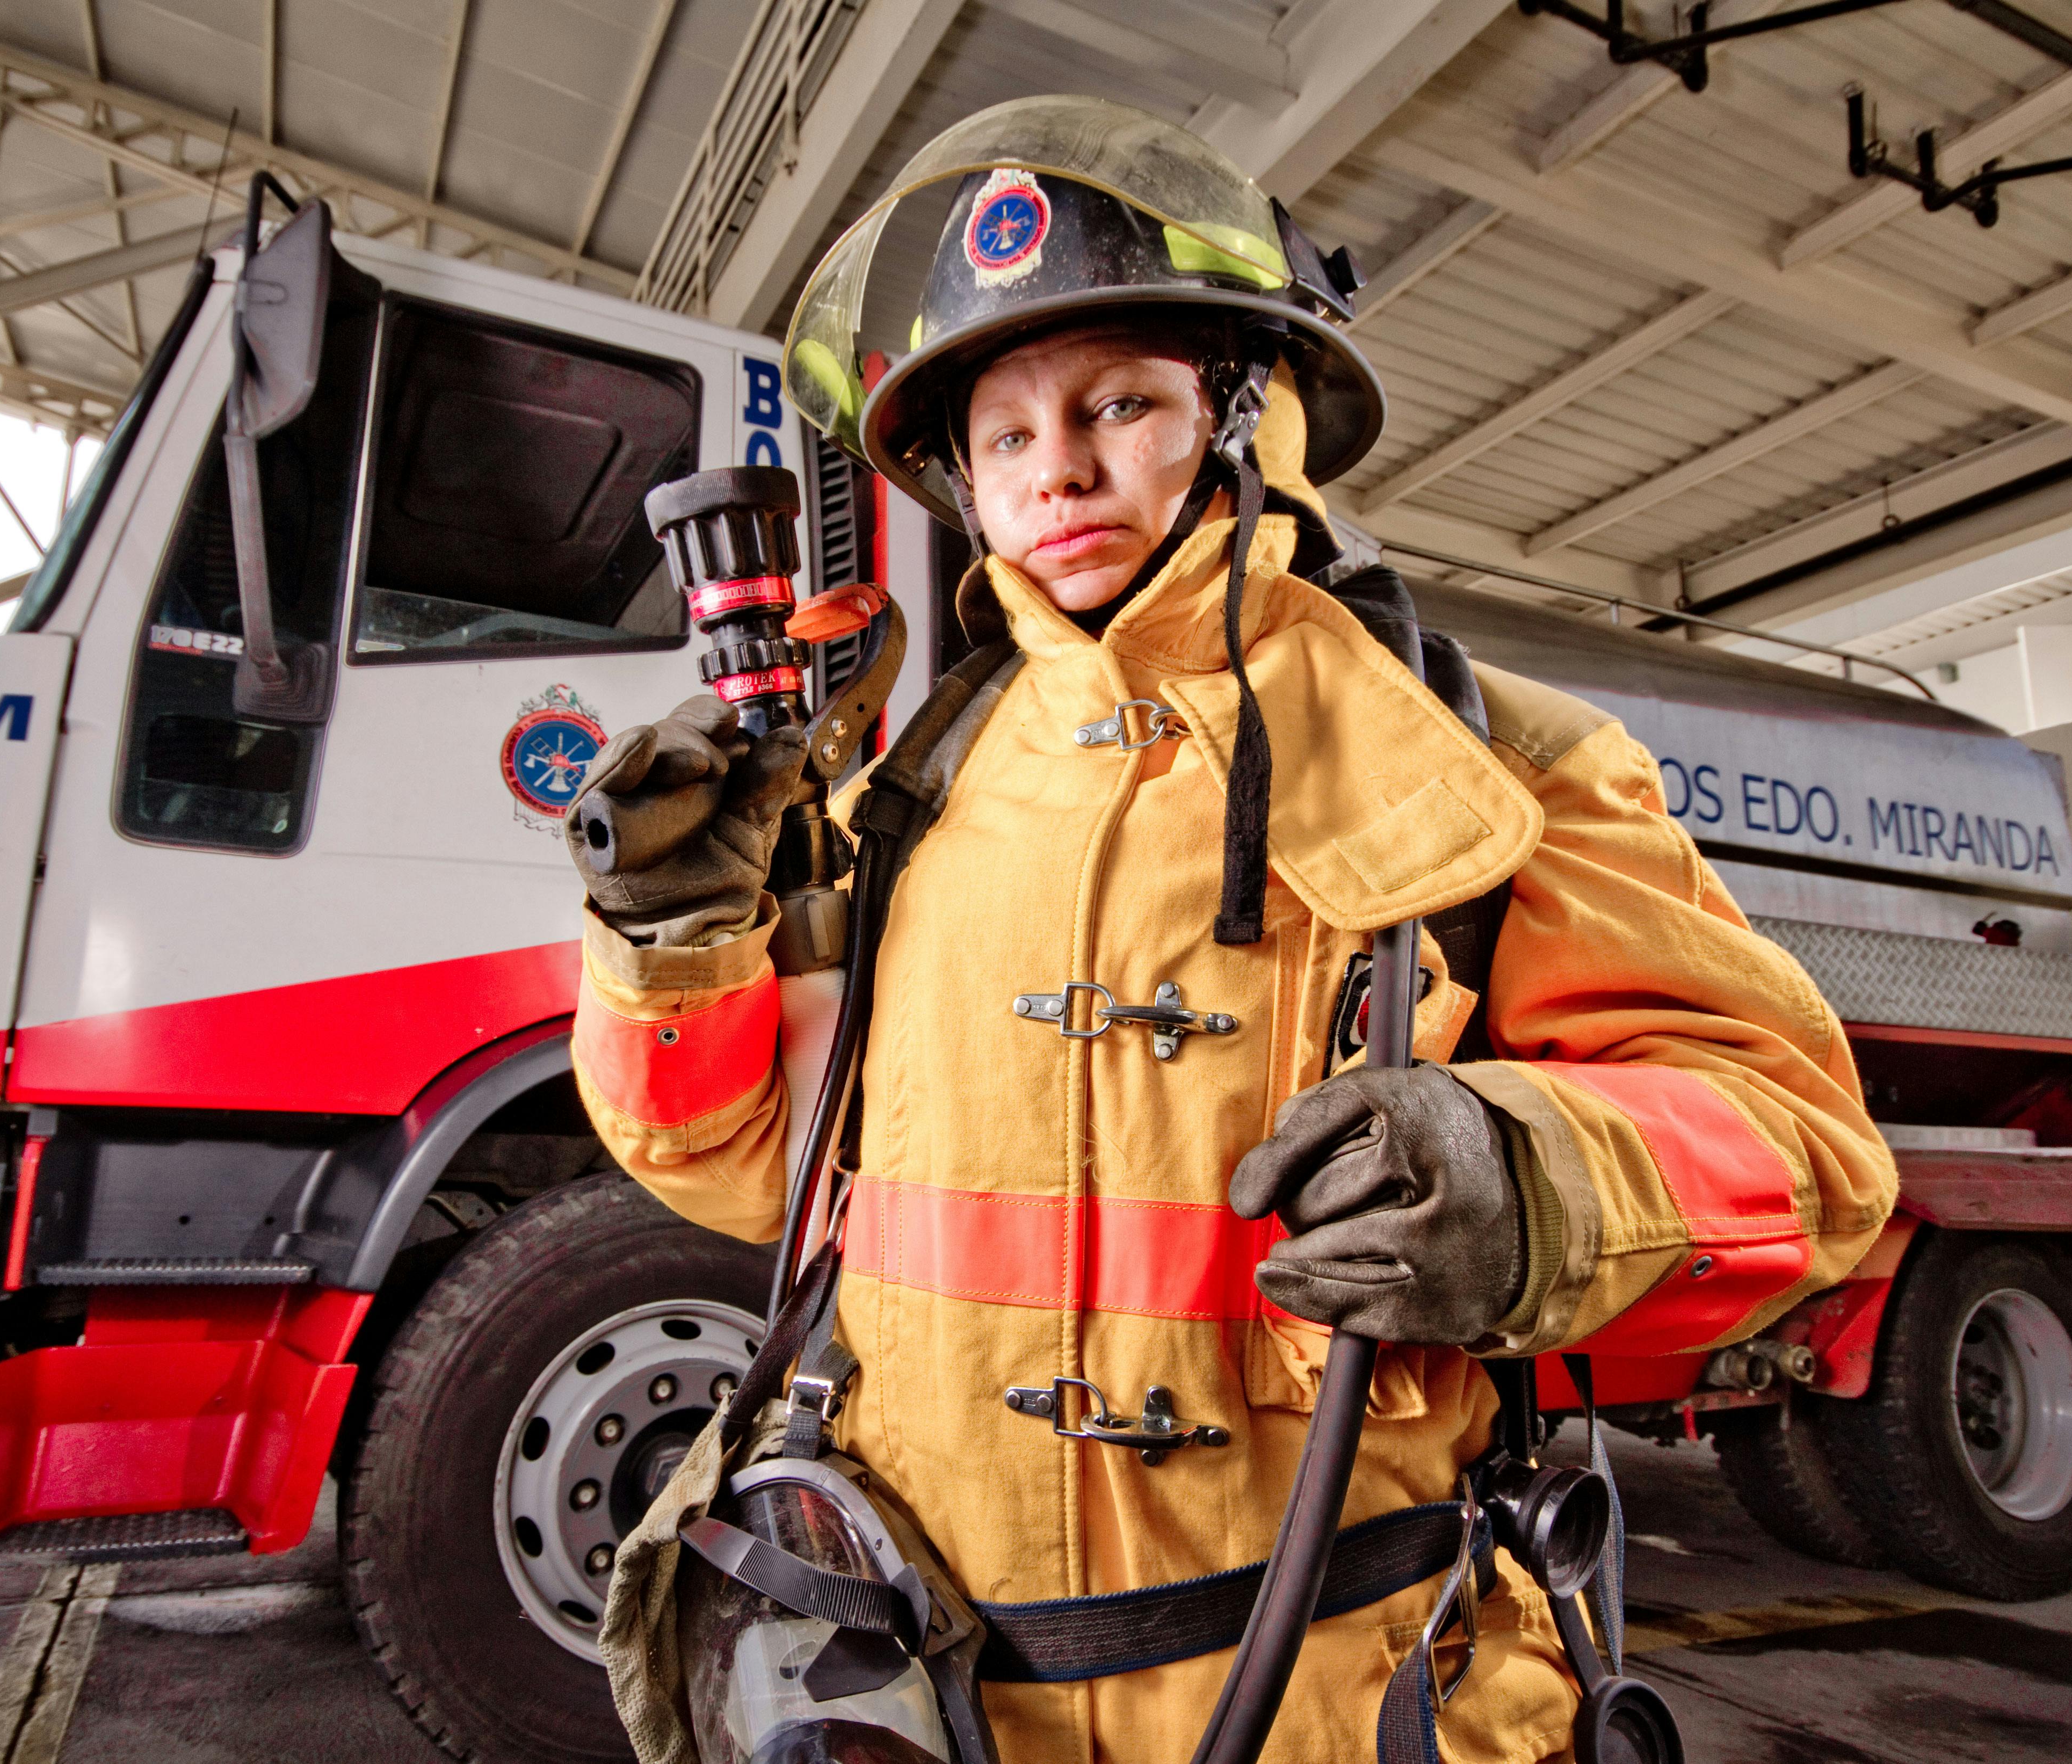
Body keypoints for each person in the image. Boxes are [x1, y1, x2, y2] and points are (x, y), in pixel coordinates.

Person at [568, 96, 1895, 1764]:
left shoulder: (1490, 760)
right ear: (964, 488)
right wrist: (671, 943)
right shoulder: (915, 803)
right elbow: (746, 1169)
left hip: (1340, 1699)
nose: (1058, 464)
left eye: (1120, 401)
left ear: (1244, 419)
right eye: (1005, 434)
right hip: (949, 1702)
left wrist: (1536, 1181)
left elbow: (1805, 1151)